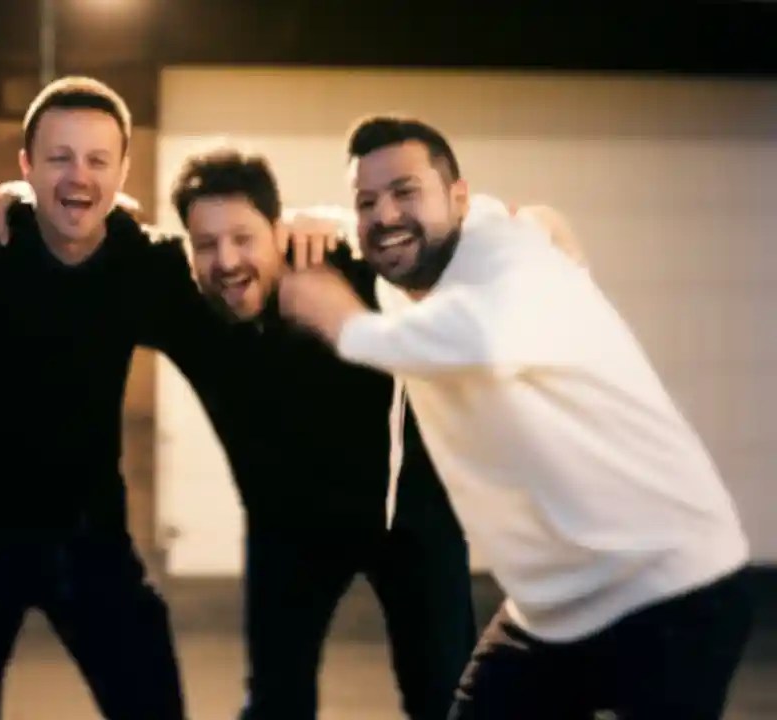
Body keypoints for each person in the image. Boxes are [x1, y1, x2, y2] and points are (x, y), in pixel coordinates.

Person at [278, 116, 753, 719]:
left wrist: (342, 321)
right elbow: (381, 230)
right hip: (551, 613)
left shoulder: (514, 258)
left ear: (459, 197)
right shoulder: (414, 258)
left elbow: (482, 337)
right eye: (366, 201)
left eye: (405, 191)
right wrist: (302, 220)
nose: (385, 215)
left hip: (669, 587)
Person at [0, 76, 202, 720]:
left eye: (98, 160)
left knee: (153, 701)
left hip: (88, 535)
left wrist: (311, 228)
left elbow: (238, 275)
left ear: (123, 171)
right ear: (26, 166)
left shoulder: (143, 260)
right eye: (59, 158)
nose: (79, 176)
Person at [164, 147, 476, 720]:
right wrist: (15, 195)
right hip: (288, 528)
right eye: (205, 244)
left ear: (277, 232)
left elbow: (463, 239)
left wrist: (342, 222)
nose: (226, 260)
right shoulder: (185, 297)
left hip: (408, 515)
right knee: (276, 704)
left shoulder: (338, 264)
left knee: (444, 695)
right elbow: (91, 231)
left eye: (244, 238)